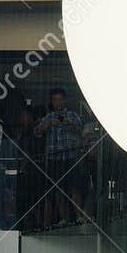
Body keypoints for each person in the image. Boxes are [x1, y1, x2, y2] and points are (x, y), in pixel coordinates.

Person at [34, 87, 84, 226]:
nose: (57, 102)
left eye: (60, 99)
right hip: (54, 158)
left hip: (70, 156)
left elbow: (81, 130)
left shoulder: (72, 115)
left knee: (75, 187)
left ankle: (79, 216)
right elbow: (36, 131)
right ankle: (64, 218)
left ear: (65, 100)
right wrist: (48, 125)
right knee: (58, 189)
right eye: (54, 100)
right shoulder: (49, 117)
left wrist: (69, 124)